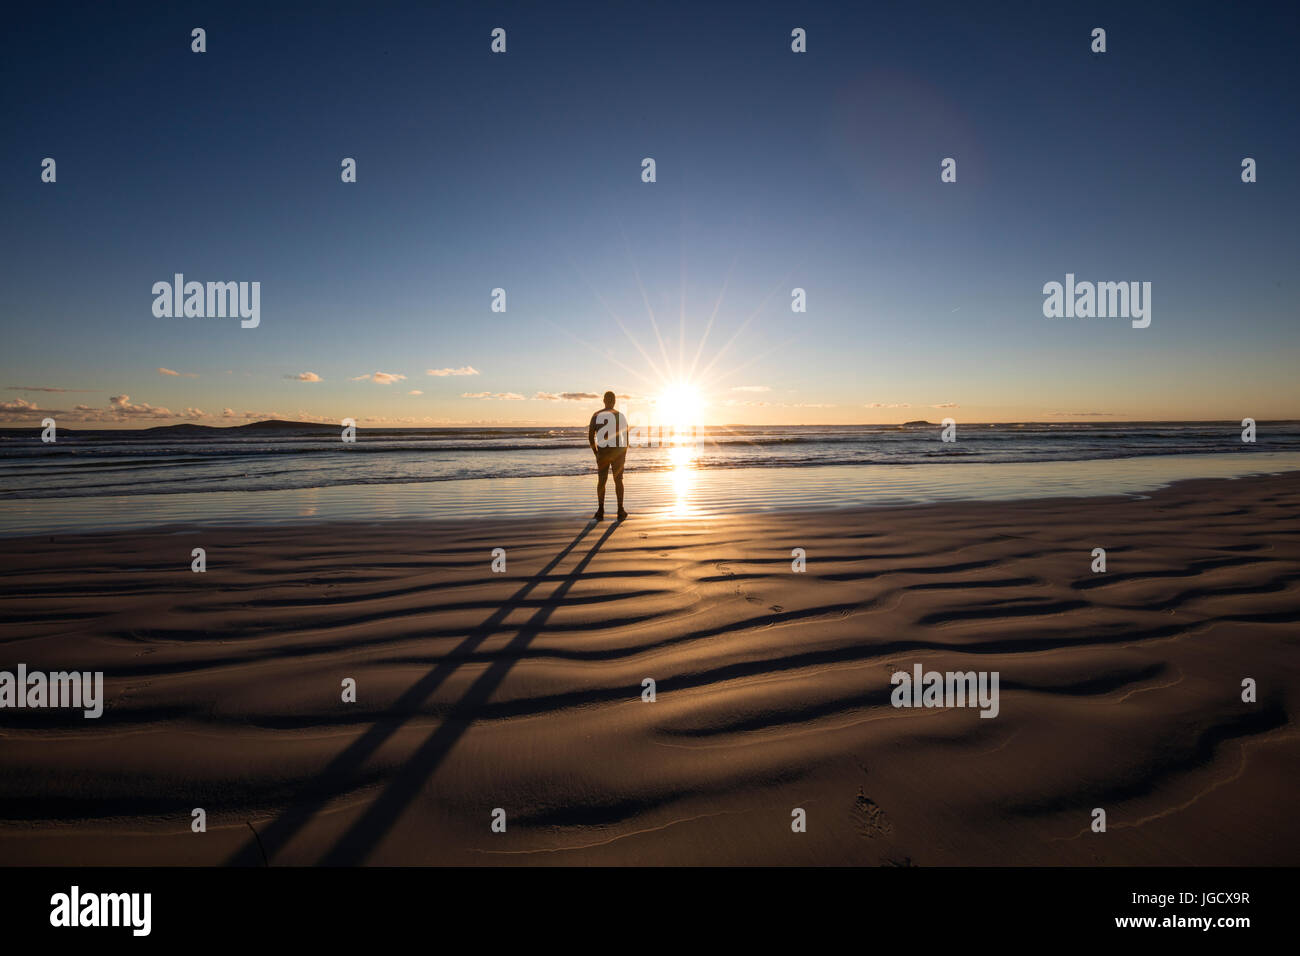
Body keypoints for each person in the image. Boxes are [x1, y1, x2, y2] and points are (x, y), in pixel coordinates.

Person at [587, 391, 628, 521]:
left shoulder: (596, 415)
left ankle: (601, 510)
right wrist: (623, 454)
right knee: (618, 480)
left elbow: (590, 437)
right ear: (614, 401)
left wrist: (596, 453)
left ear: (604, 400)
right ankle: (620, 510)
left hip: (603, 453)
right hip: (617, 454)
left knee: (602, 481)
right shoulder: (620, 415)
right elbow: (625, 439)